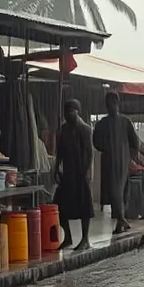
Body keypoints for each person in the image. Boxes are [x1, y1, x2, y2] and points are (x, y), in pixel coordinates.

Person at [93, 91, 141, 234]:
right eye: (108, 103)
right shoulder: (102, 124)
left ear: (117, 104)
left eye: (113, 103)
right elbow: (95, 141)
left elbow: (135, 142)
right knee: (114, 192)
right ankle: (121, 220)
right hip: (108, 161)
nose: (111, 106)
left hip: (121, 161)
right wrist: (106, 149)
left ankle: (121, 220)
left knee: (117, 191)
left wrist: (129, 157)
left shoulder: (125, 122)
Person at [54, 98, 95, 251]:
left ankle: (85, 239)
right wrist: (56, 168)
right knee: (59, 206)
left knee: (84, 208)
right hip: (68, 174)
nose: (68, 114)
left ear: (77, 112)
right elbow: (60, 152)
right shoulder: (63, 129)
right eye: (66, 112)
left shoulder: (85, 129)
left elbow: (90, 153)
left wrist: (86, 172)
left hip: (81, 173)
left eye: (71, 111)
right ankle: (69, 237)